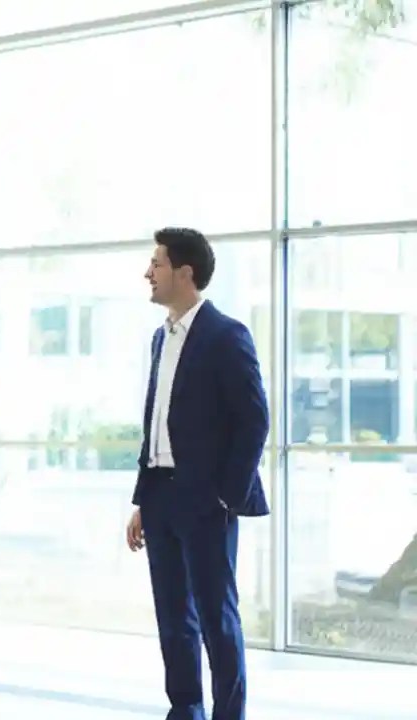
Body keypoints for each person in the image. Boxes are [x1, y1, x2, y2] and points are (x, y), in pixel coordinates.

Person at [125, 228, 269, 720]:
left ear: (185, 273)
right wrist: (142, 501)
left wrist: (228, 495)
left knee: (215, 618)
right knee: (173, 618)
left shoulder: (226, 335)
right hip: (162, 496)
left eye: (156, 264)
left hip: (207, 501)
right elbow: (155, 423)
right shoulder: (158, 339)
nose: (149, 272)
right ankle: (185, 708)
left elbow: (254, 419)